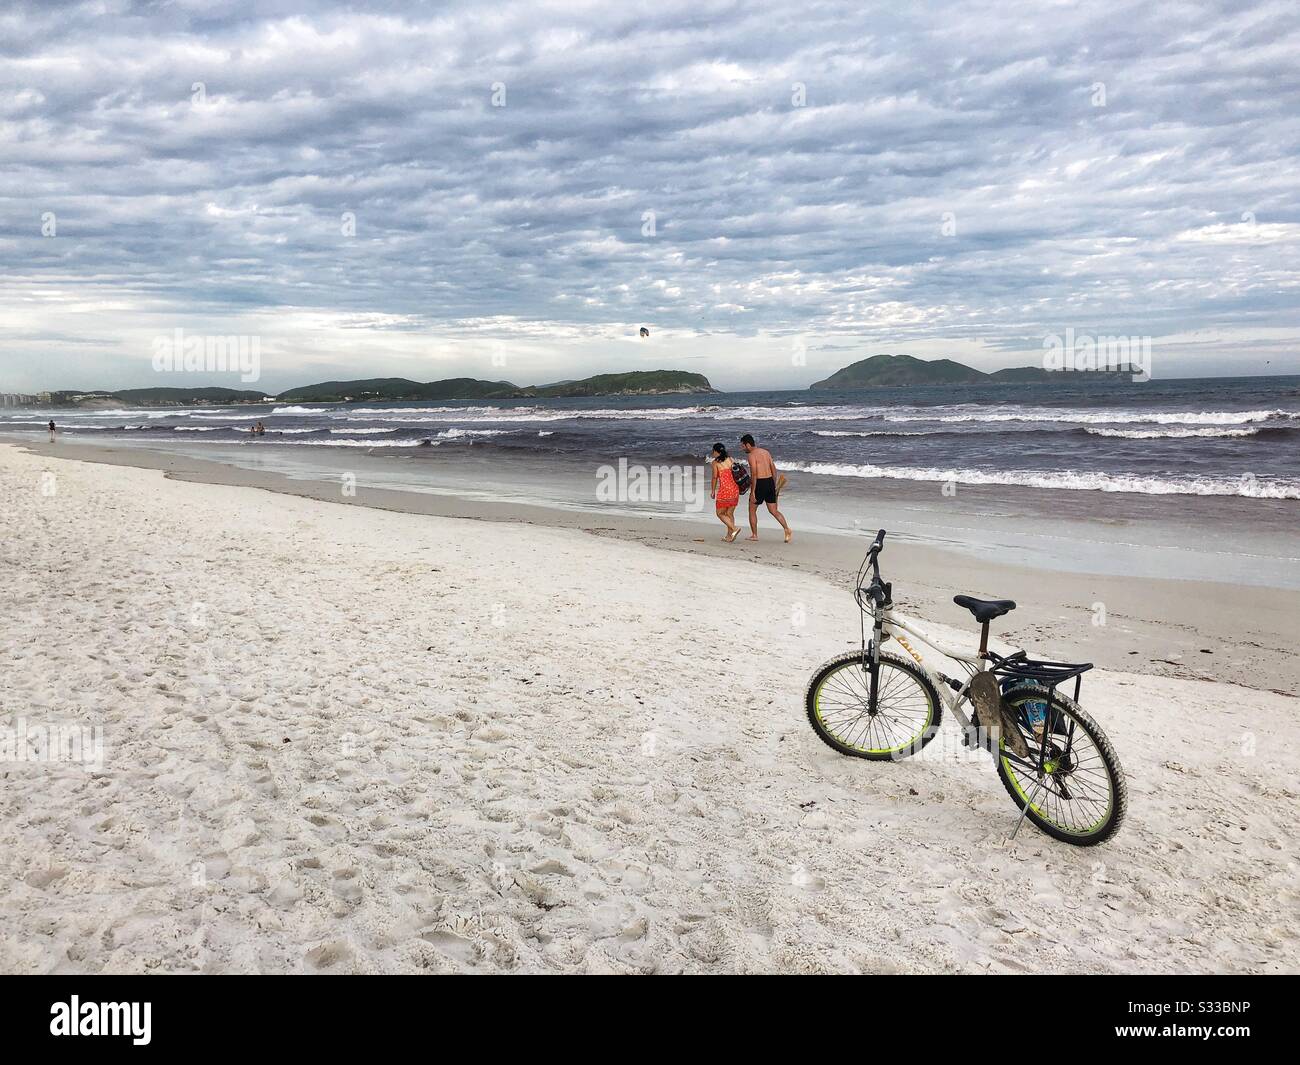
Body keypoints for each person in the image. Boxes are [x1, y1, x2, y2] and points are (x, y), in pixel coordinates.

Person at [740, 433, 791, 542]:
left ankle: (754, 535)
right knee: (774, 511)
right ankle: (787, 529)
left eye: (743, 446)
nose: (742, 448)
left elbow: (754, 474)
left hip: (759, 483)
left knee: (752, 510)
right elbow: (773, 468)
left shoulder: (751, 455)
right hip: (769, 482)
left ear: (748, 445)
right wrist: (773, 485)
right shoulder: (765, 452)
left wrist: (753, 491)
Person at [709, 442, 741, 543]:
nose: (712, 453)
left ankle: (734, 528)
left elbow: (714, 477)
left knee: (720, 513)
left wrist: (713, 490)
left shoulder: (715, 463)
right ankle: (729, 536)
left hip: (725, 491)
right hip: (735, 489)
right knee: (729, 513)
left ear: (716, 452)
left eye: (713, 451)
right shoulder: (730, 459)